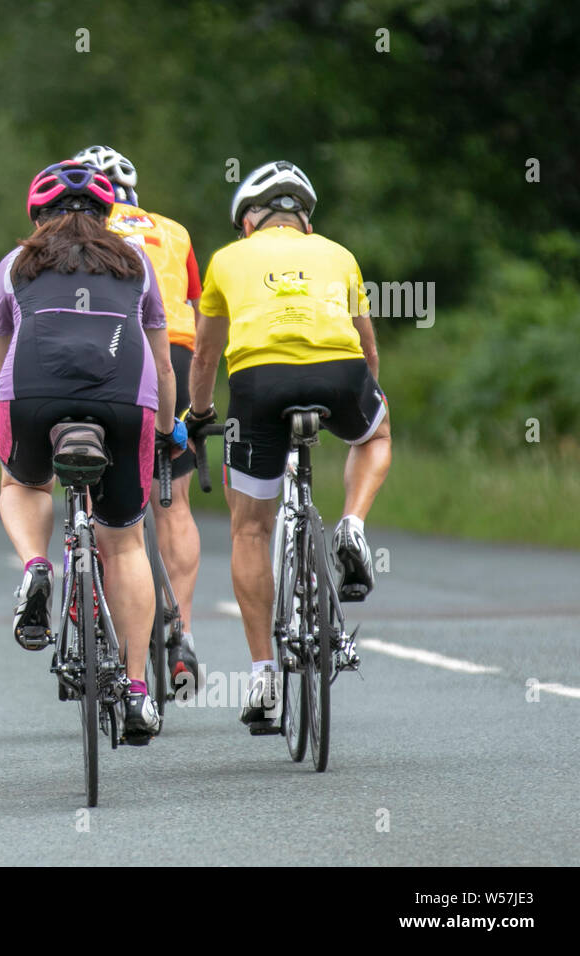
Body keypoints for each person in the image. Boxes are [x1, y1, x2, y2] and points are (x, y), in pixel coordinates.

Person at [0, 160, 184, 744]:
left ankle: (37, 567)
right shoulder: (136, 263)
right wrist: (168, 430)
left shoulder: (15, 265)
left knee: (24, 485)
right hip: (123, 400)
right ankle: (139, 692)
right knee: (124, 540)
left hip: (35, 396)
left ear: (37, 215)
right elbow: (164, 364)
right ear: (108, 211)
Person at [187, 160, 391, 731]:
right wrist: (363, 389)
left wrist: (200, 413)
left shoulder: (227, 260)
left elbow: (203, 356)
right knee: (375, 434)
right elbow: (368, 349)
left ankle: (262, 676)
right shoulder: (339, 254)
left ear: (248, 221)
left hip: (259, 384)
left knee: (250, 528)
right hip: (340, 372)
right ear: (303, 219)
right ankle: (352, 523)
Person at [74, 144, 205, 694]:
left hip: (114, 351)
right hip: (174, 353)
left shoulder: (79, 227)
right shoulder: (173, 231)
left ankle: (101, 625)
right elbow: (195, 309)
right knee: (172, 505)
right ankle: (184, 640)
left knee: (99, 495)